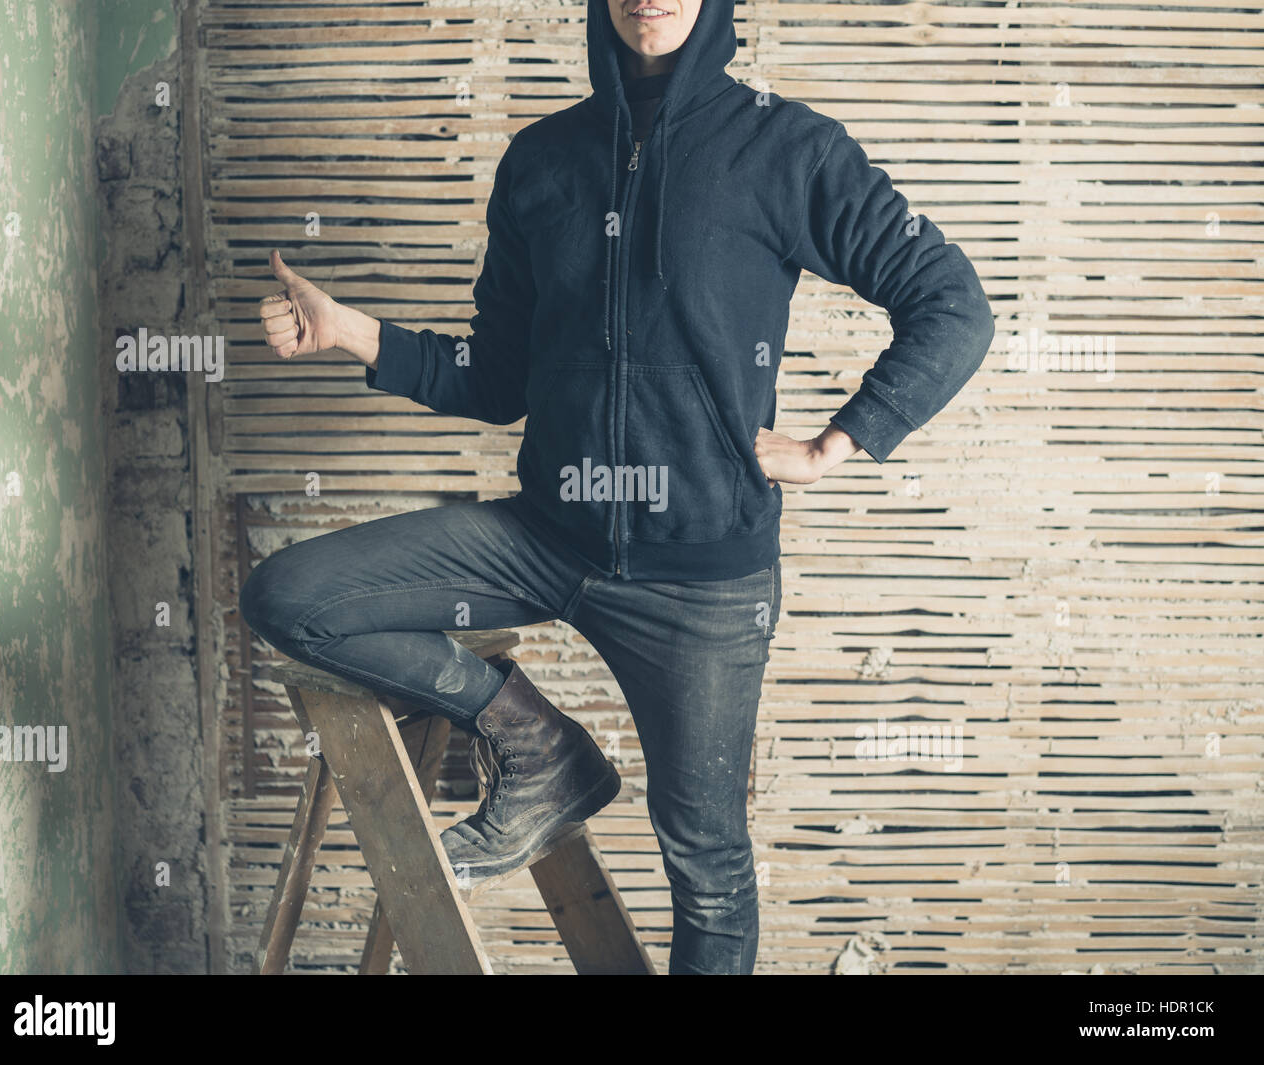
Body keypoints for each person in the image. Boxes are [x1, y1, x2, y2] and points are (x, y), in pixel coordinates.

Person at [240, 0, 994, 975]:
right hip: (544, 539)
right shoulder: (542, 163)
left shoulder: (784, 148)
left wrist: (833, 444)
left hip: (702, 582)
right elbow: (499, 377)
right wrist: (350, 332)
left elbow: (951, 301)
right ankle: (536, 745)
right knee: (292, 597)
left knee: (706, 866)